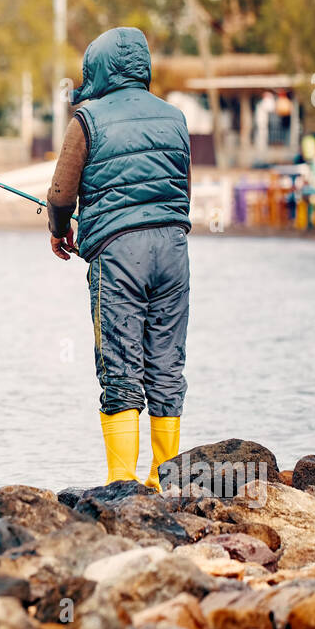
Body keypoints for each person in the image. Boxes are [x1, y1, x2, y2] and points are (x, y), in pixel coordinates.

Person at [48, 27, 192, 491]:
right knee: (166, 362)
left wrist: (59, 228)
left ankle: (121, 483)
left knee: (120, 362)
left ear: (99, 68)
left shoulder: (87, 118)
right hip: (173, 252)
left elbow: (60, 193)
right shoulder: (175, 117)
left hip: (118, 255)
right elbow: (179, 186)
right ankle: (164, 477)